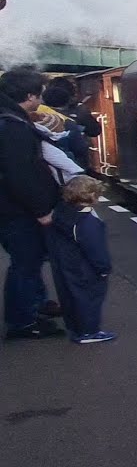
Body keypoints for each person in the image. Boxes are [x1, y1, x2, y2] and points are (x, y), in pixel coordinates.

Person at [0, 67, 65, 340]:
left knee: (32, 259)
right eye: (39, 94)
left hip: (14, 207)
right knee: (25, 262)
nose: (41, 99)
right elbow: (20, 173)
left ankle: (36, 304)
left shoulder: (11, 119)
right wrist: (41, 210)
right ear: (29, 95)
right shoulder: (11, 126)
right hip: (17, 210)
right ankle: (23, 321)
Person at [47, 175, 114, 344]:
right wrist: (104, 269)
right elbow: (96, 250)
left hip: (66, 263)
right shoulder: (87, 222)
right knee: (90, 298)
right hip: (85, 269)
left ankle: (75, 328)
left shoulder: (62, 211)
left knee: (70, 295)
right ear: (92, 196)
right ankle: (88, 332)